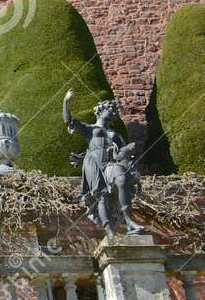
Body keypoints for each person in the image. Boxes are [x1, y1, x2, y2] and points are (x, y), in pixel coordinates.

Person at [62, 89, 145, 235]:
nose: (113, 113)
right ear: (101, 110)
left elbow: (120, 155)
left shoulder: (116, 135)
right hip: (93, 162)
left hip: (110, 164)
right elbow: (68, 121)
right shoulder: (90, 129)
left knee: (121, 180)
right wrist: (66, 101)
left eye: (114, 111)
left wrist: (129, 149)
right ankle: (109, 231)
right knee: (101, 195)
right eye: (110, 110)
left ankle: (129, 220)